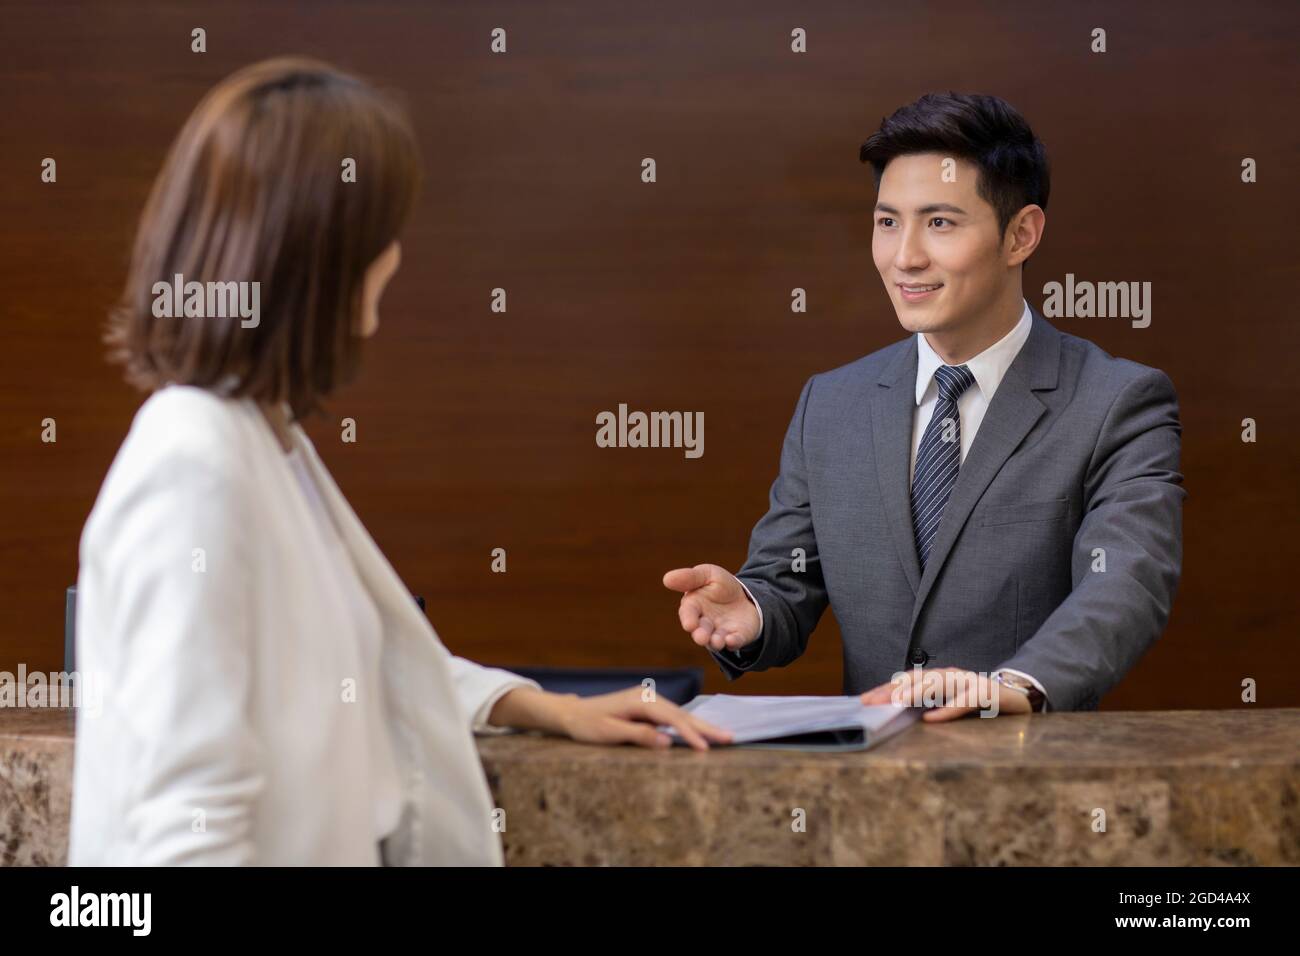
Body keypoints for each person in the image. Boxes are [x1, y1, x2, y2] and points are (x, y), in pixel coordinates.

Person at [70, 57, 729, 867]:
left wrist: (552, 709)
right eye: (383, 230)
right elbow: (185, 829)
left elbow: (368, 665)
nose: (395, 254)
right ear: (322, 253)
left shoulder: (268, 443)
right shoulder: (194, 464)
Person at [665, 92, 1184, 721]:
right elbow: (787, 581)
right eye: (888, 222)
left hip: (1037, 779)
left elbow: (1127, 582)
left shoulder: (1117, 401)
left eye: (940, 223)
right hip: (870, 784)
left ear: (1021, 234)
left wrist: (1018, 684)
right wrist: (751, 610)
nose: (905, 256)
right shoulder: (830, 404)